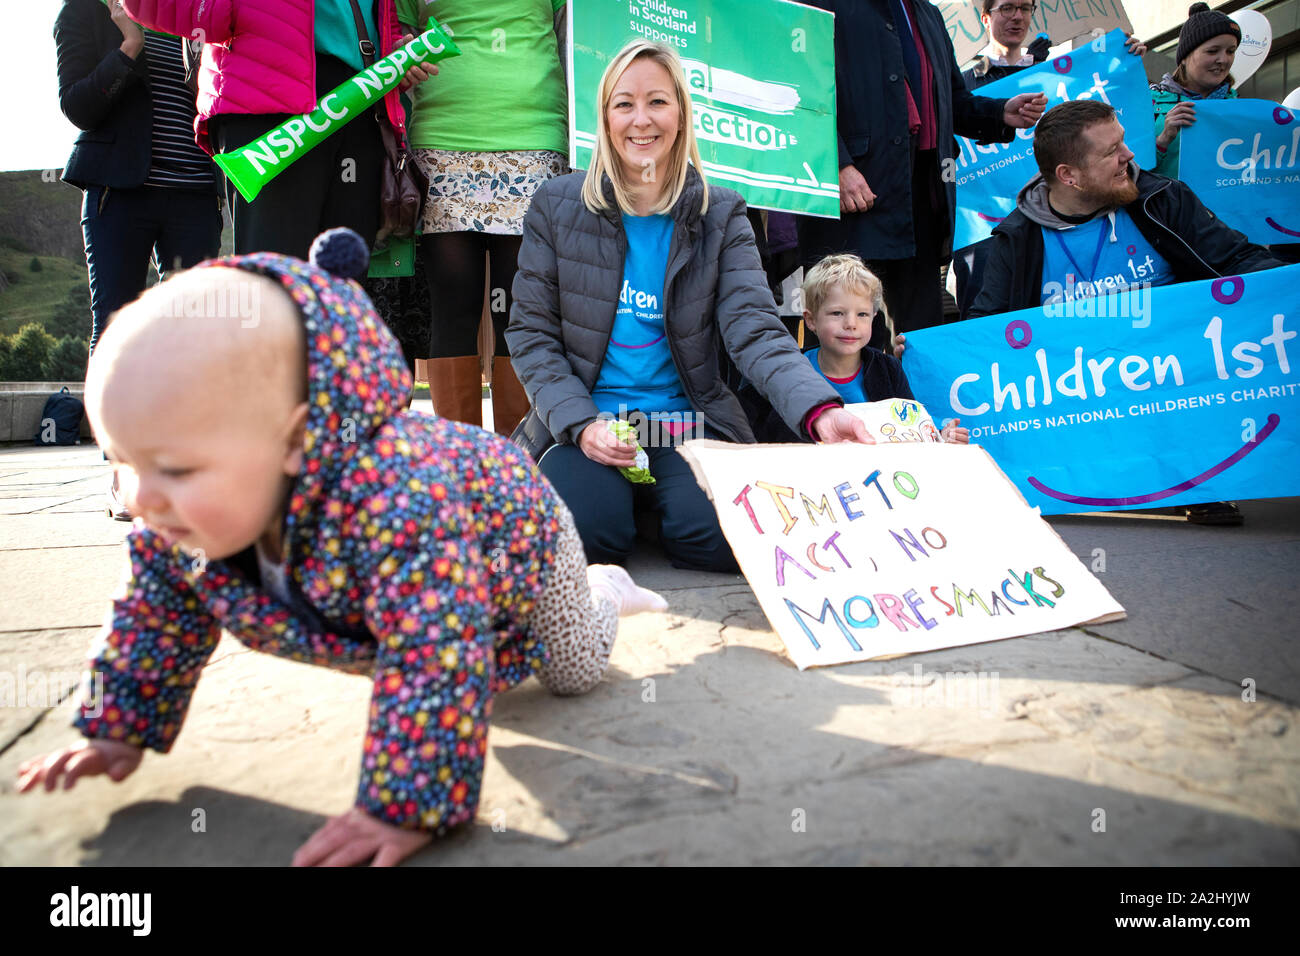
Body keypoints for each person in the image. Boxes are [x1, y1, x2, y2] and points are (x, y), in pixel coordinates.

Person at [14, 228, 667, 867]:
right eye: (122, 461)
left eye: (175, 468)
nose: (141, 499)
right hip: (447, 583)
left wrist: (405, 802)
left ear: (295, 439)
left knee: (570, 667)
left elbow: (433, 641)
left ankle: (603, 586)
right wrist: (119, 724)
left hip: (523, 539)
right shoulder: (175, 525)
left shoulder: (393, 501)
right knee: (478, 675)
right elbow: (157, 615)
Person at [507, 40, 873, 572]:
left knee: (726, 542)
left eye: (657, 101)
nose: (641, 120)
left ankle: (660, 506)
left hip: (687, 427)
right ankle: (622, 504)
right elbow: (530, 335)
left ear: (681, 112)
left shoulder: (720, 212)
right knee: (588, 539)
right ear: (605, 117)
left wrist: (820, 412)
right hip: (589, 424)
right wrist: (582, 424)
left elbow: (756, 330)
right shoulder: (558, 204)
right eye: (624, 103)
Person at [967, 100, 1285, 525]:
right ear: (1069, 176)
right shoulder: (1016, 238)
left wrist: (1290, 285)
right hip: (1078, 395)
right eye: (1110, 151)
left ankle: (1195, 476)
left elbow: (1236, 261)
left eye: (1123, 142)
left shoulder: (1163, 200)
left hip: (1172, 382)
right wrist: (923, 352)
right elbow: (984, 333)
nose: (1129, 156)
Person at [796, 0, 1047, 350]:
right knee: (849, 339)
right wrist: (837, 165)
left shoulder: (927, 13)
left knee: (921, 338)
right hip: (855, 201)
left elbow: (952, 100)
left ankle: (918, 405)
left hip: (921, 201)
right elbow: (799, 84)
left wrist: (1000, 112)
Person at [55, 0, 224, 520]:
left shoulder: (199, 11)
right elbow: (78, 105)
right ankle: (124, 470)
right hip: (118, 195)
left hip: (195, 193)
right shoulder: (85, 11)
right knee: (115, 326)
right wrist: (128, 45)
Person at [122, 0, 436, 259]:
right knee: (277, 276)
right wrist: (219, 10)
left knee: (343, 286)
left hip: (361, 102)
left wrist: (394, 51)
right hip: (266, 102)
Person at [394, 0, 568, 436]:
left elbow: (578, 35)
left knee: (521, 309)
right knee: (454, 307)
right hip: (443, 133)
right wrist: (402, 51)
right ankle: (461, 465)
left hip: (536, 134)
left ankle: (520, 462)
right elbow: (395, 28)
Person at [954, 1, 1146, 320]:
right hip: (984, 229)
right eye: (1007, 8)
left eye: (1025, 8)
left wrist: (1123, 60)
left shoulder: (1055, 73)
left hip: (1052, 218)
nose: (1017, 16)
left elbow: (1100, 116)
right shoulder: (962, 86)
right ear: (986, 18)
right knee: (989, 311)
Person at [801, 254, 969, 443]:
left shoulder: (889, 369)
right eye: (837, 313)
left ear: (874, 316)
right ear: (811, 320)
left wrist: (941, 438)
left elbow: (912, 428)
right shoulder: (794, 372)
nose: (851, 323)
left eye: (862, 314)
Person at [1150, 3, 1240, 180]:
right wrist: (1163, 140)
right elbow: (1127, 172)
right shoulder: (1148, 103)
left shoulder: (1241, 107)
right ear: (1184, 57)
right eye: (1212, 51)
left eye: (1230, 51)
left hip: (1222, 207)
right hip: (1168, 206)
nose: (1223, 60)